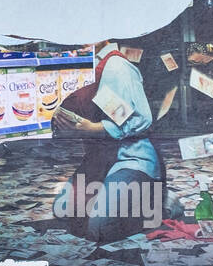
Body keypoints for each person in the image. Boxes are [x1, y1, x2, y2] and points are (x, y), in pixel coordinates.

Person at [52, 45, 167, 242]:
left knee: (100, 227)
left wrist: (92, 129)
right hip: (101, 159)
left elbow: (141, 119)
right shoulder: (93, 65)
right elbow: (111, 111)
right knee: (62, 208)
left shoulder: (114, 67)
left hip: (130, 159)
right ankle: (135, 200)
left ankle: (160, 205)